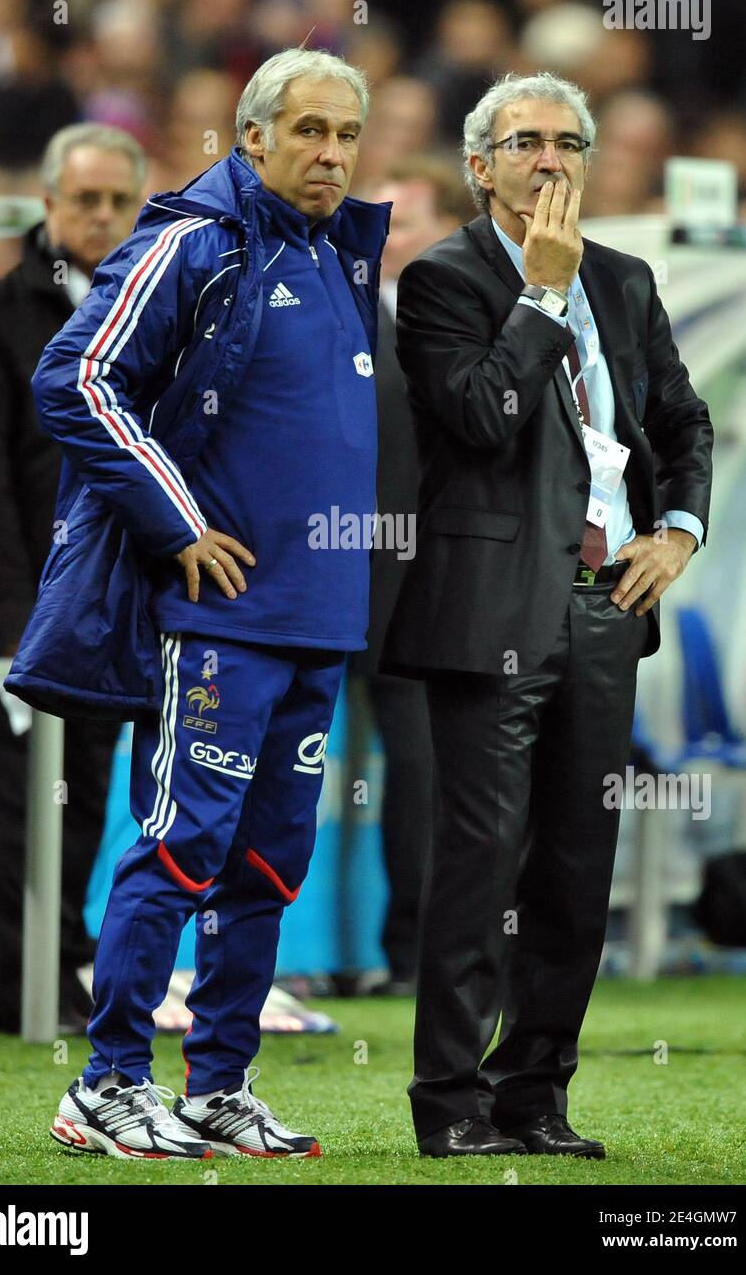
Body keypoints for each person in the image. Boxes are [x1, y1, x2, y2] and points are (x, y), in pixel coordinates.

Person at [19, 48, 389, 1160]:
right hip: (219, 620)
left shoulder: (340, 255)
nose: (330, 154)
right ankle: (107, 1081)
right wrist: (178, 521)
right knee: (180, 846)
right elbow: (72, 379)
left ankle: (217, 1084)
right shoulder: (193, 239)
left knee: (268, 867)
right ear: (252, 135)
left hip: (316, 618)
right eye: (309, 130)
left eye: (347, 135)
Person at [382, 71, 713, 1158]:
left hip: (607, 605)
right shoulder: (440, 278)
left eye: (568, 141)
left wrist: (676, 530)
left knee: (575, 868)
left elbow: (680, 416)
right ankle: (451, 1106)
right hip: (492, 610)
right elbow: (479, 418)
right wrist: (537, 296)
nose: (550, 160)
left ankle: (534, 1097)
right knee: (478, 866)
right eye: (525, 141)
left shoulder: (624, 280)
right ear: (478, 165)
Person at [0, 122, 146, 1032]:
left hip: (112, 607)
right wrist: (21, 617)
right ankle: (27, 980)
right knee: (11, 803)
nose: (102, 216)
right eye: (86, 200)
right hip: (16, 614)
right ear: (51, 203)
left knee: (87, 796)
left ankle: (60, 971)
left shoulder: (153, 302)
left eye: (118, 201)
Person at [348, 158, 474, 994]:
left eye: (413, 225)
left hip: (416, 595)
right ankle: (266, 958)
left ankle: (413, 953)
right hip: (302, 585)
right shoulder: (328, 318)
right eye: (384, 227)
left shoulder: (460, 337)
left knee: (423, 778)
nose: (394, 244)